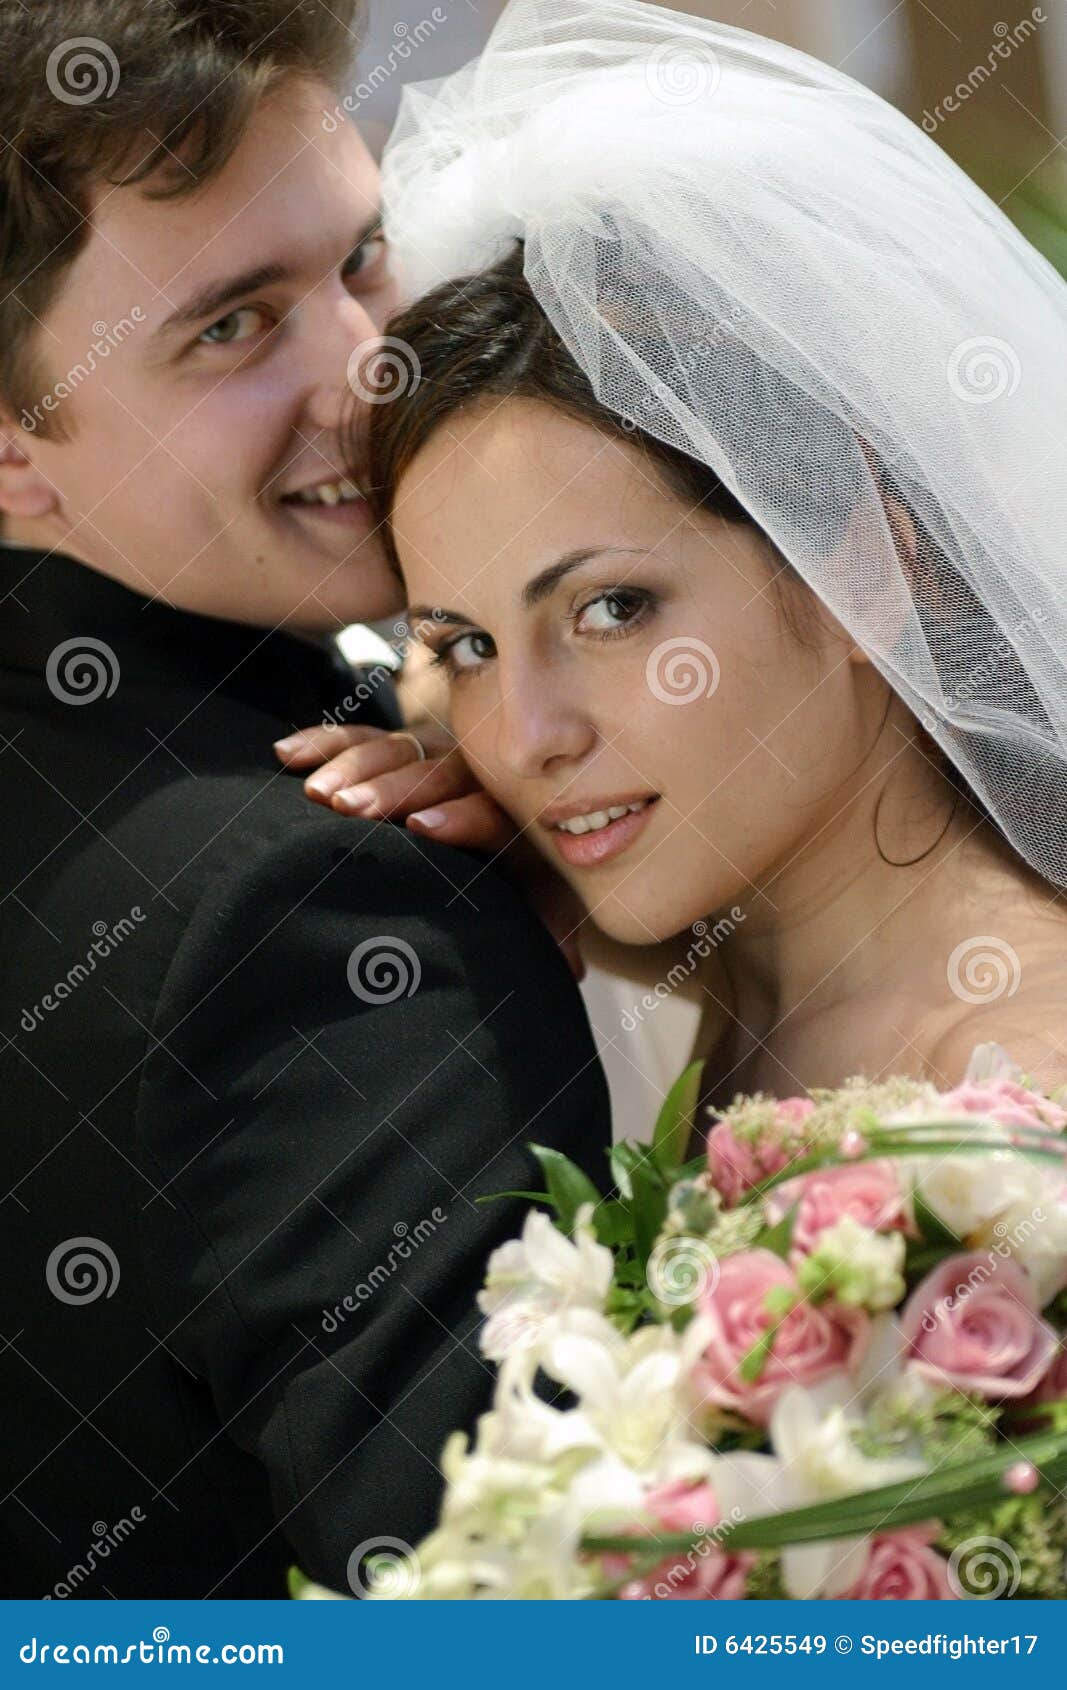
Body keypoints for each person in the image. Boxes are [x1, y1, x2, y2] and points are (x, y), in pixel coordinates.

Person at [0, 0, 610, 1598]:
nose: (371, 367)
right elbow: (498, 1610)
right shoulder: (321, 902)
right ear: (12, 449)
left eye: (356, 262)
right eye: (230, 325)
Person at [298, 0, 1067, 1109]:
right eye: (464, 643)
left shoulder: (1012, 1104)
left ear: (861, 571)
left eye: (611, 610)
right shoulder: (726, 964)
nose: (524, 739)